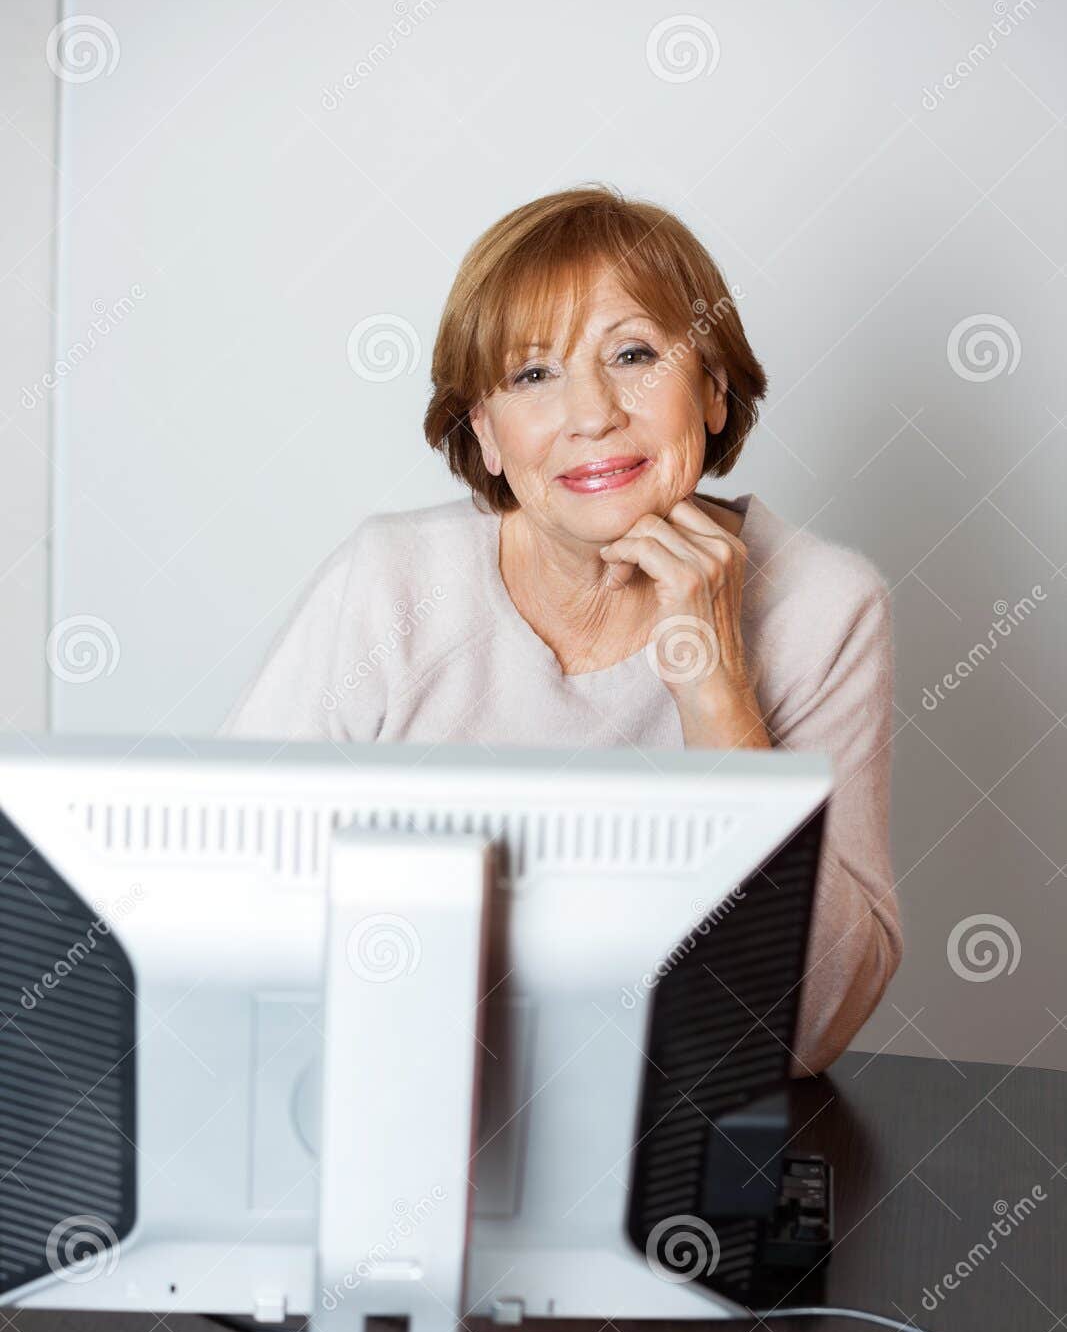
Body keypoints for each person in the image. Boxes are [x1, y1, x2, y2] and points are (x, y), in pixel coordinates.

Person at [219, 185, 902, 1074]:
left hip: (670, 1123)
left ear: (713, 392)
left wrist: (716, 689)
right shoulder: (389, 584)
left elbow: (809, 1030)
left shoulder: (824, 606)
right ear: (487, 435)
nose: (591, 414)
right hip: (397, 1083)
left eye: (633, 354)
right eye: (532, 374)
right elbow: (227, 905)